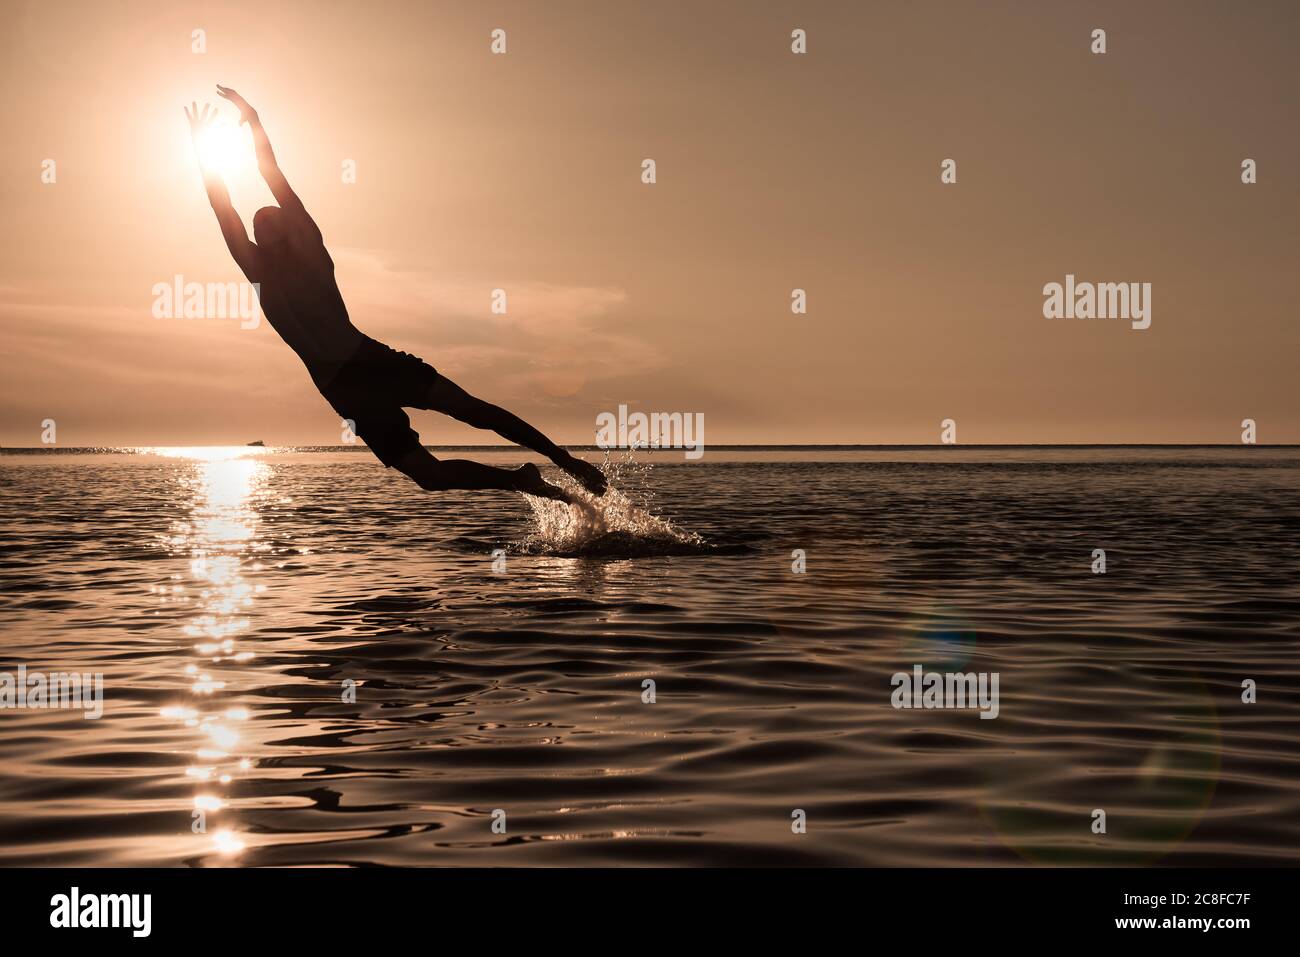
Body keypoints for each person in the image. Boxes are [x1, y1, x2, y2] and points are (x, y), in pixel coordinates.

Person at [185, 87, 606, 503]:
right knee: (428, 475)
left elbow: (272, 175)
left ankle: (567, 461)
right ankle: (520, 481)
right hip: (343, 390)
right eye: (257, 225)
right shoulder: (256, 269)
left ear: (289, 230)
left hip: (373, 361)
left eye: (270, 220)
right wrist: (203, 149)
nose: (261, 224)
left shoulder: (312, 252)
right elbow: (223, 206)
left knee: (473, 411)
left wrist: (254, 120)